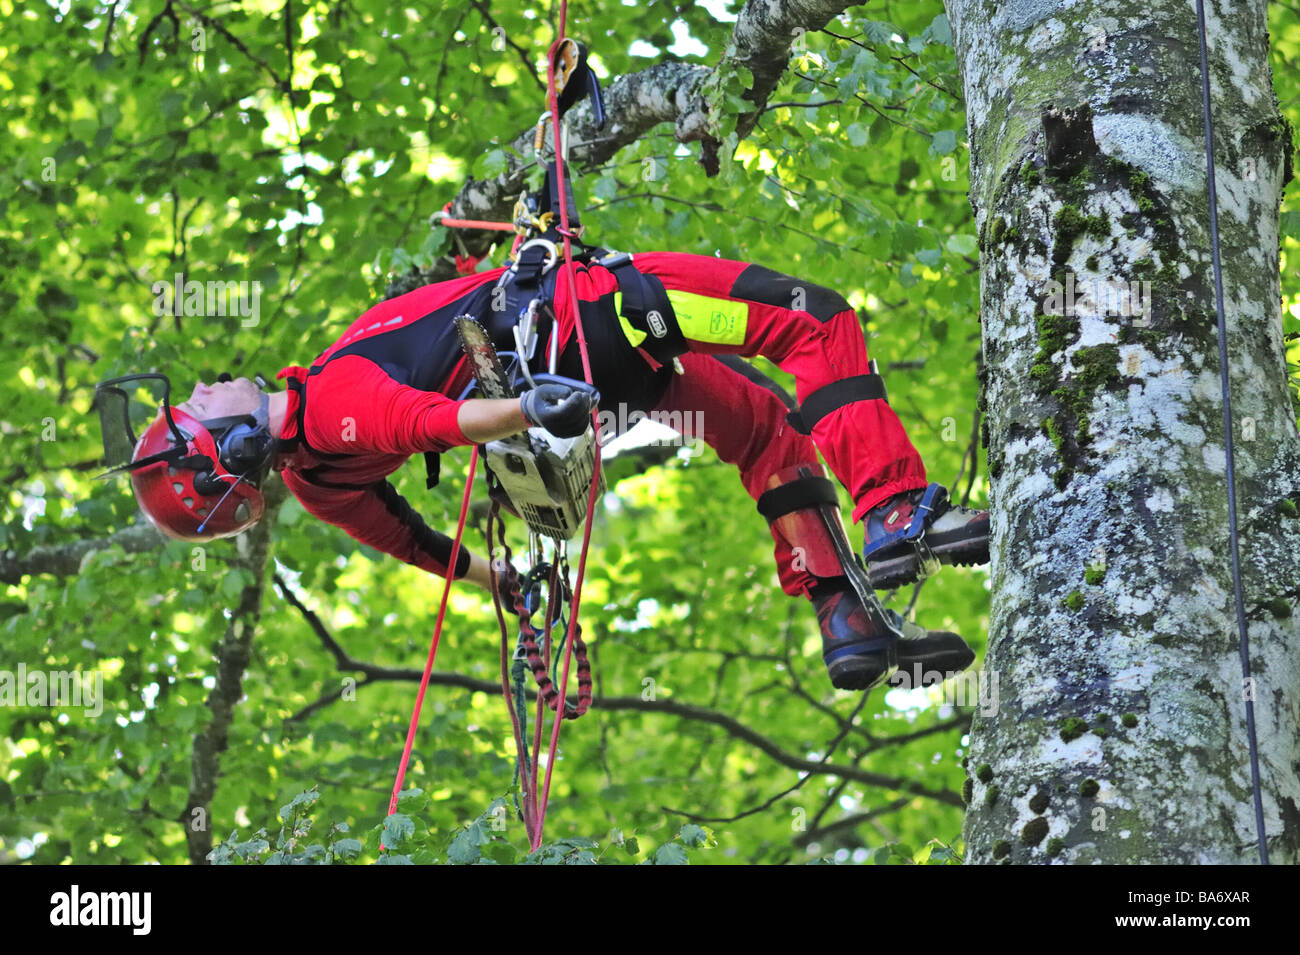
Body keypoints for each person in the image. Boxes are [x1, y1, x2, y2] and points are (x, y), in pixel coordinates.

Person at [104, 244, 989, 692]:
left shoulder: (316, 477)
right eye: (195, 410)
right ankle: (896, 507)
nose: (207, 386)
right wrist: (529, 410)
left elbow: (413, 542)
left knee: (766, 437)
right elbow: (436, 419)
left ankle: (847, 619)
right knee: (812, 320)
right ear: (228, 447)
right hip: (602, 319)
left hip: (605, 366)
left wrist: (509, 584)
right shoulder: (335, 405)